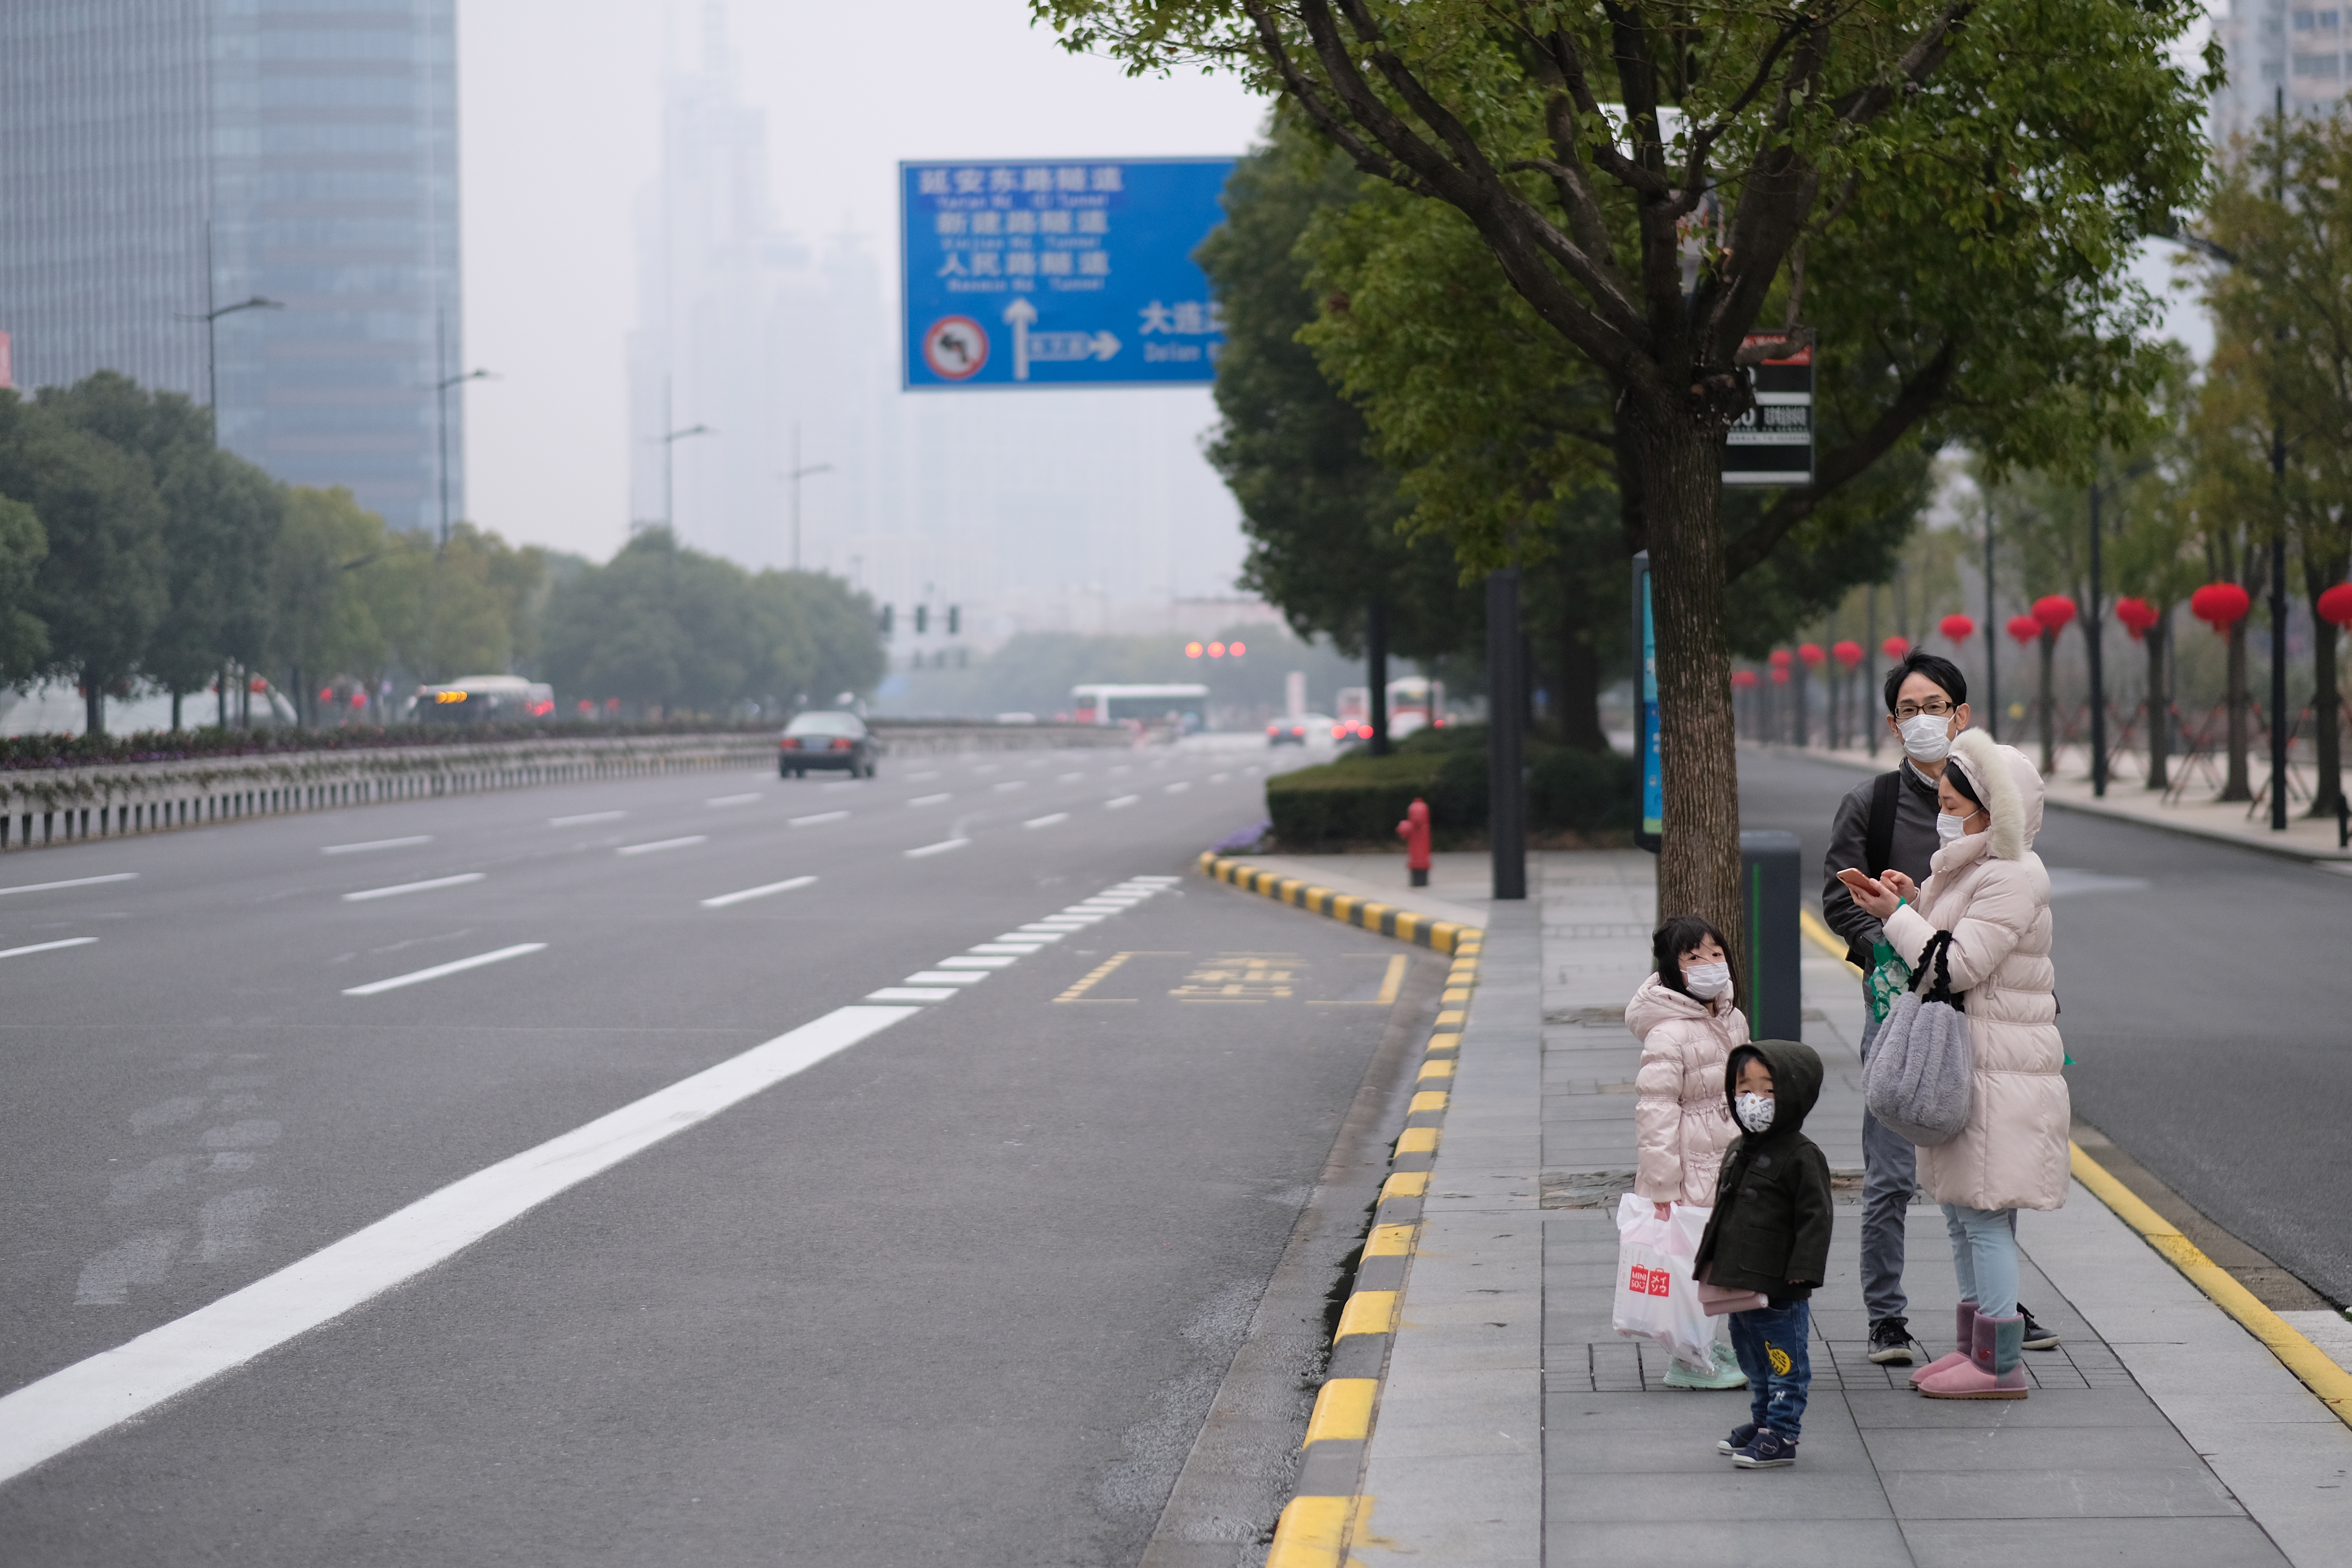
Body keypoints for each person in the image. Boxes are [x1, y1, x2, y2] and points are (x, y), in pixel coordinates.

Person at [1820, 650, 2057, 1365]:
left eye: (1936, 707)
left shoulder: (2004, 808)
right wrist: (1886, 943)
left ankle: (1996, 1314)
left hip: (1975, 1014)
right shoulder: (1875, 803)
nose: (1924, 721)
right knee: (1894, 1169)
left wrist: (1912, 921)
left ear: (1963, 715)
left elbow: (1983, 937)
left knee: (1980, 1178)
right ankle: (1887, 1317)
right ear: (1893, 724)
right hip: (1904, 1008)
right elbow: (1841, 898)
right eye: (1909, 710)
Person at [1691, 1040, 1833, 1468]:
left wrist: (1803, 1271)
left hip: (1780, 1285)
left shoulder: (1803, 1156)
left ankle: (1783, 1432)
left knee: (1783, 1358)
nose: (1754, 1100)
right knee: (1751, 1355)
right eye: (1745, 1088)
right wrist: (1711, 1261)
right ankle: (1762, 1420)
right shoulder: (1739, 1148)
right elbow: (1724, 1210)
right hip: (1742, 1278)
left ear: (1792, 1094)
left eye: (1768, 1090)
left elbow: (1816, 1217)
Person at [1626, 915, 1750, 1391]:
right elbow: (1654, 1112)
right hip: (1687, 1167)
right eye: (1693, 957)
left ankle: (1702, 1346)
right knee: (1690, 1265)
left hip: (1725, 1160)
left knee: (1712, 1261)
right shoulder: (1668, 1033)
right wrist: (1662, 1185)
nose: (1709, 965)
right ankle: (1689, 1361)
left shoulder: (1732, 1017)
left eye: (1715, 954)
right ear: (1674, 970)